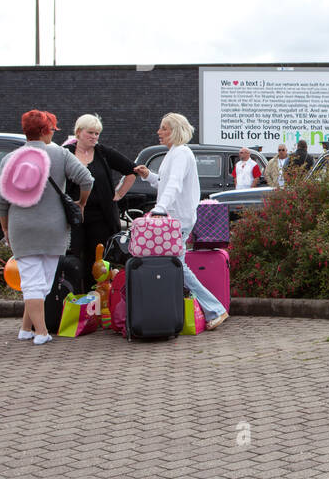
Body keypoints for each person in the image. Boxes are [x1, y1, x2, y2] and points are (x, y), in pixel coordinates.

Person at [0, 110, 93, 346]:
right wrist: (81, 203)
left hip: (21, 228)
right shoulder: (60, 154)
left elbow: (0, 202)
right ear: (47, 131)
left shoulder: (9, 159)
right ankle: (40, 332)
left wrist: (6, 229)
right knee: (42, 283)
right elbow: (87, 179)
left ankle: (27, 328)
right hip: (53, 228)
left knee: (32, 282)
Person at [144, 113, 230, 331]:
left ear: (174, 131)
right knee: (176, 264)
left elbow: (174, 185)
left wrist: (159, 209)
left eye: (163, 128)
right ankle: (210, 308)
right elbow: (166, 183)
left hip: (177, 219)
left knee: (177, 265)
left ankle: (214, 308)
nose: (159, 132)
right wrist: (149, 176)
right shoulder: (174, 153)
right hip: (175, 218)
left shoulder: (181, 153)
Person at [62, 113, 144, 291]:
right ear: (78, 132)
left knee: (99, 259)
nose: (94, 137)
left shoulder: (103, 153)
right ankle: (77, 297)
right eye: (90, 133)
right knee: (75, 257)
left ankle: (100, 297)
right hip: (74, 217)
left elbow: (132, 171)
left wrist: (119, 194)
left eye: (97, 133)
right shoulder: (66, 153)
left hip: (101, 217)